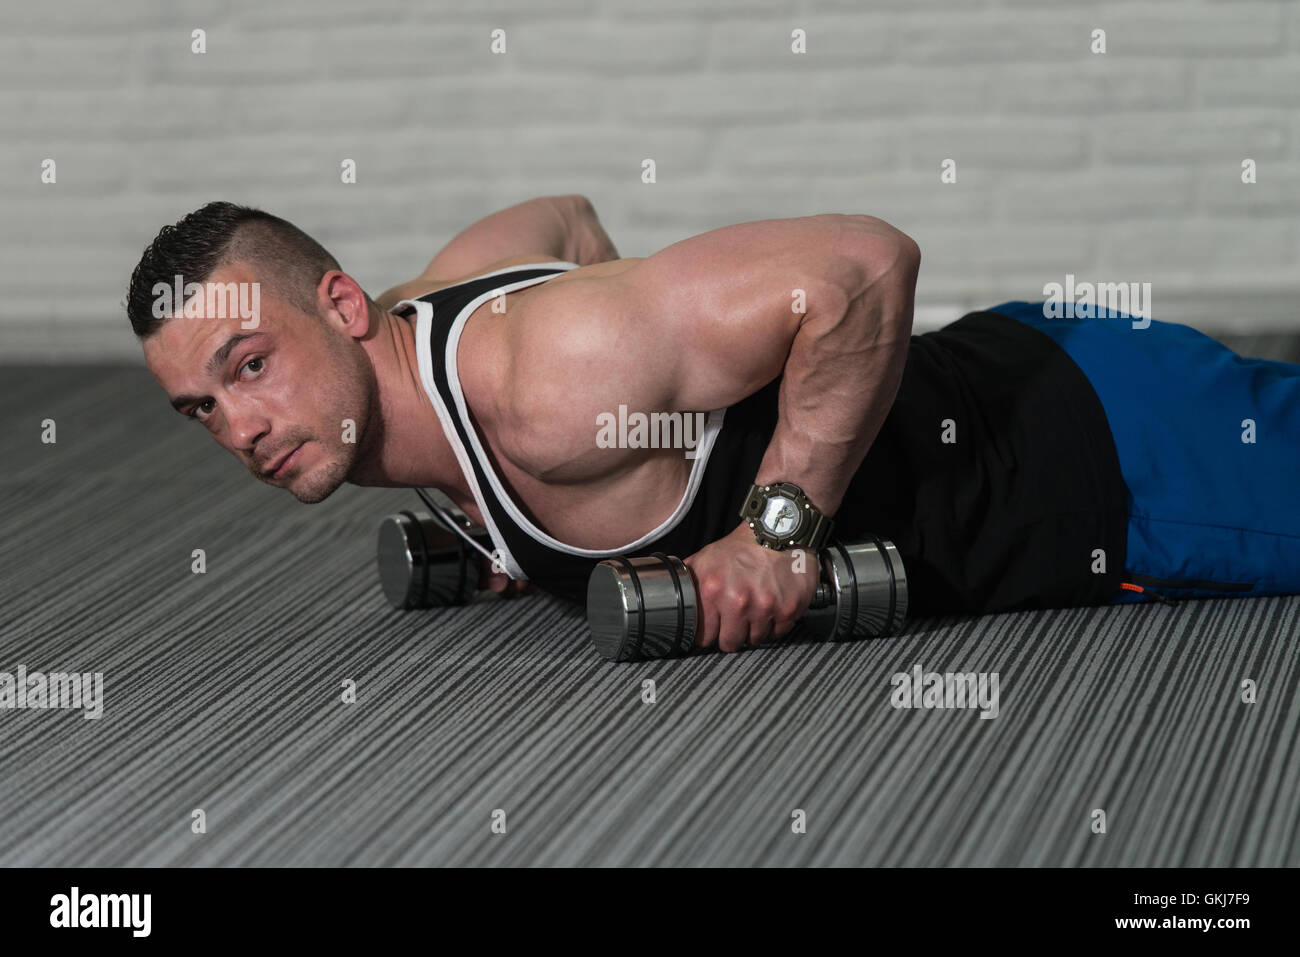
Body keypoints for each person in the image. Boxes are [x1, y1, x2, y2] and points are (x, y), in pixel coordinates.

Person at [127, 196, 1300, 653]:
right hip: (1032, 368)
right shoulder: (435, 322)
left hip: (1103, 455)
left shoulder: (550, 384)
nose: (240, 426)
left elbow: (862, 264)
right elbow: (569, 223)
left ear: (340, 306)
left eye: (250, 365)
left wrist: (776, 527)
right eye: (203, 408)